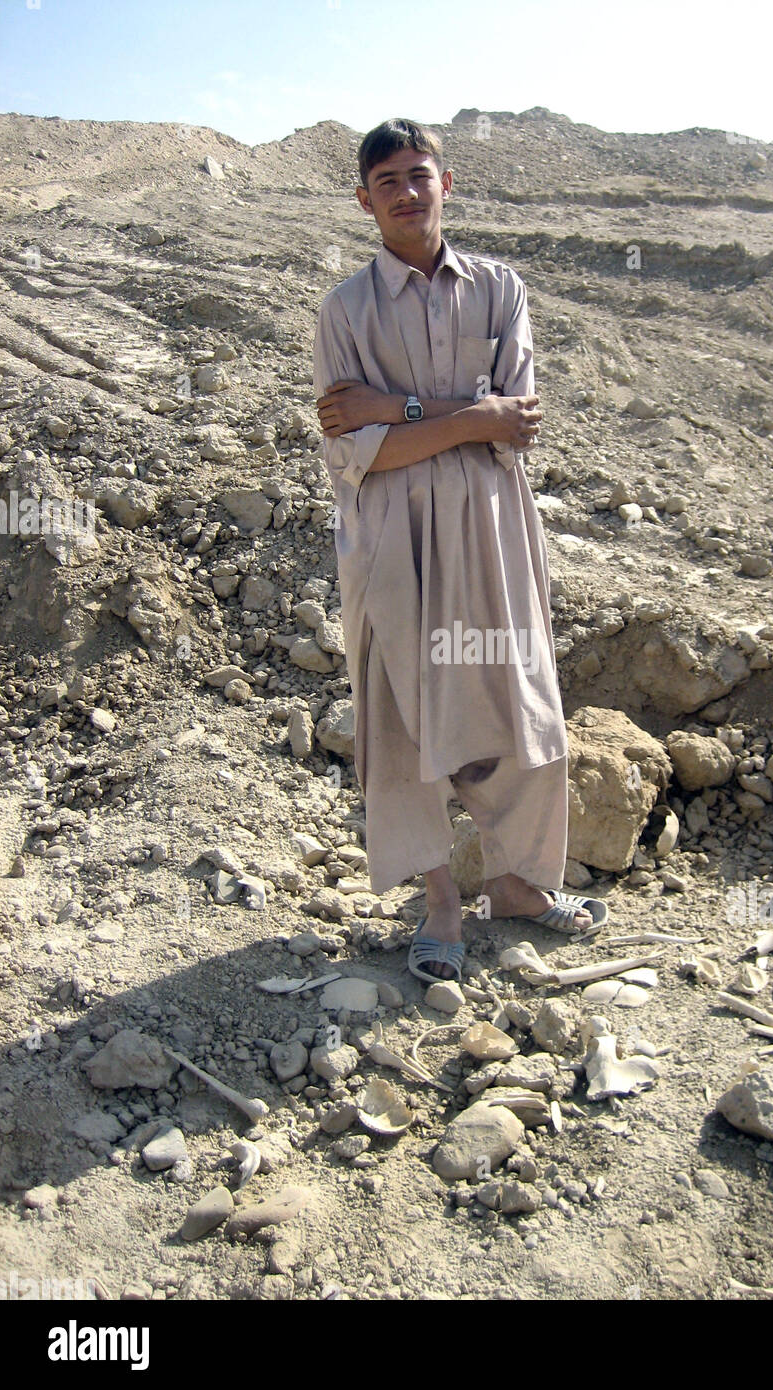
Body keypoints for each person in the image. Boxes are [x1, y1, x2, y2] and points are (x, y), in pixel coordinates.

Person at [312, 118, 607, 982]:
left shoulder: (500, 290)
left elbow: (513, 428)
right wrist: (457, 417)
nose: (406, 191)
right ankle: (441, 900)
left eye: (419, 174)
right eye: (387, 181)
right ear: (364, 200)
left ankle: (518, 884)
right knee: (401, 720)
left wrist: (398, 408)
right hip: (391, 541)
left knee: (516, 701)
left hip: (490, 533)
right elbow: (353, 452)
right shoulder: (343, 311)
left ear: (447, 183)